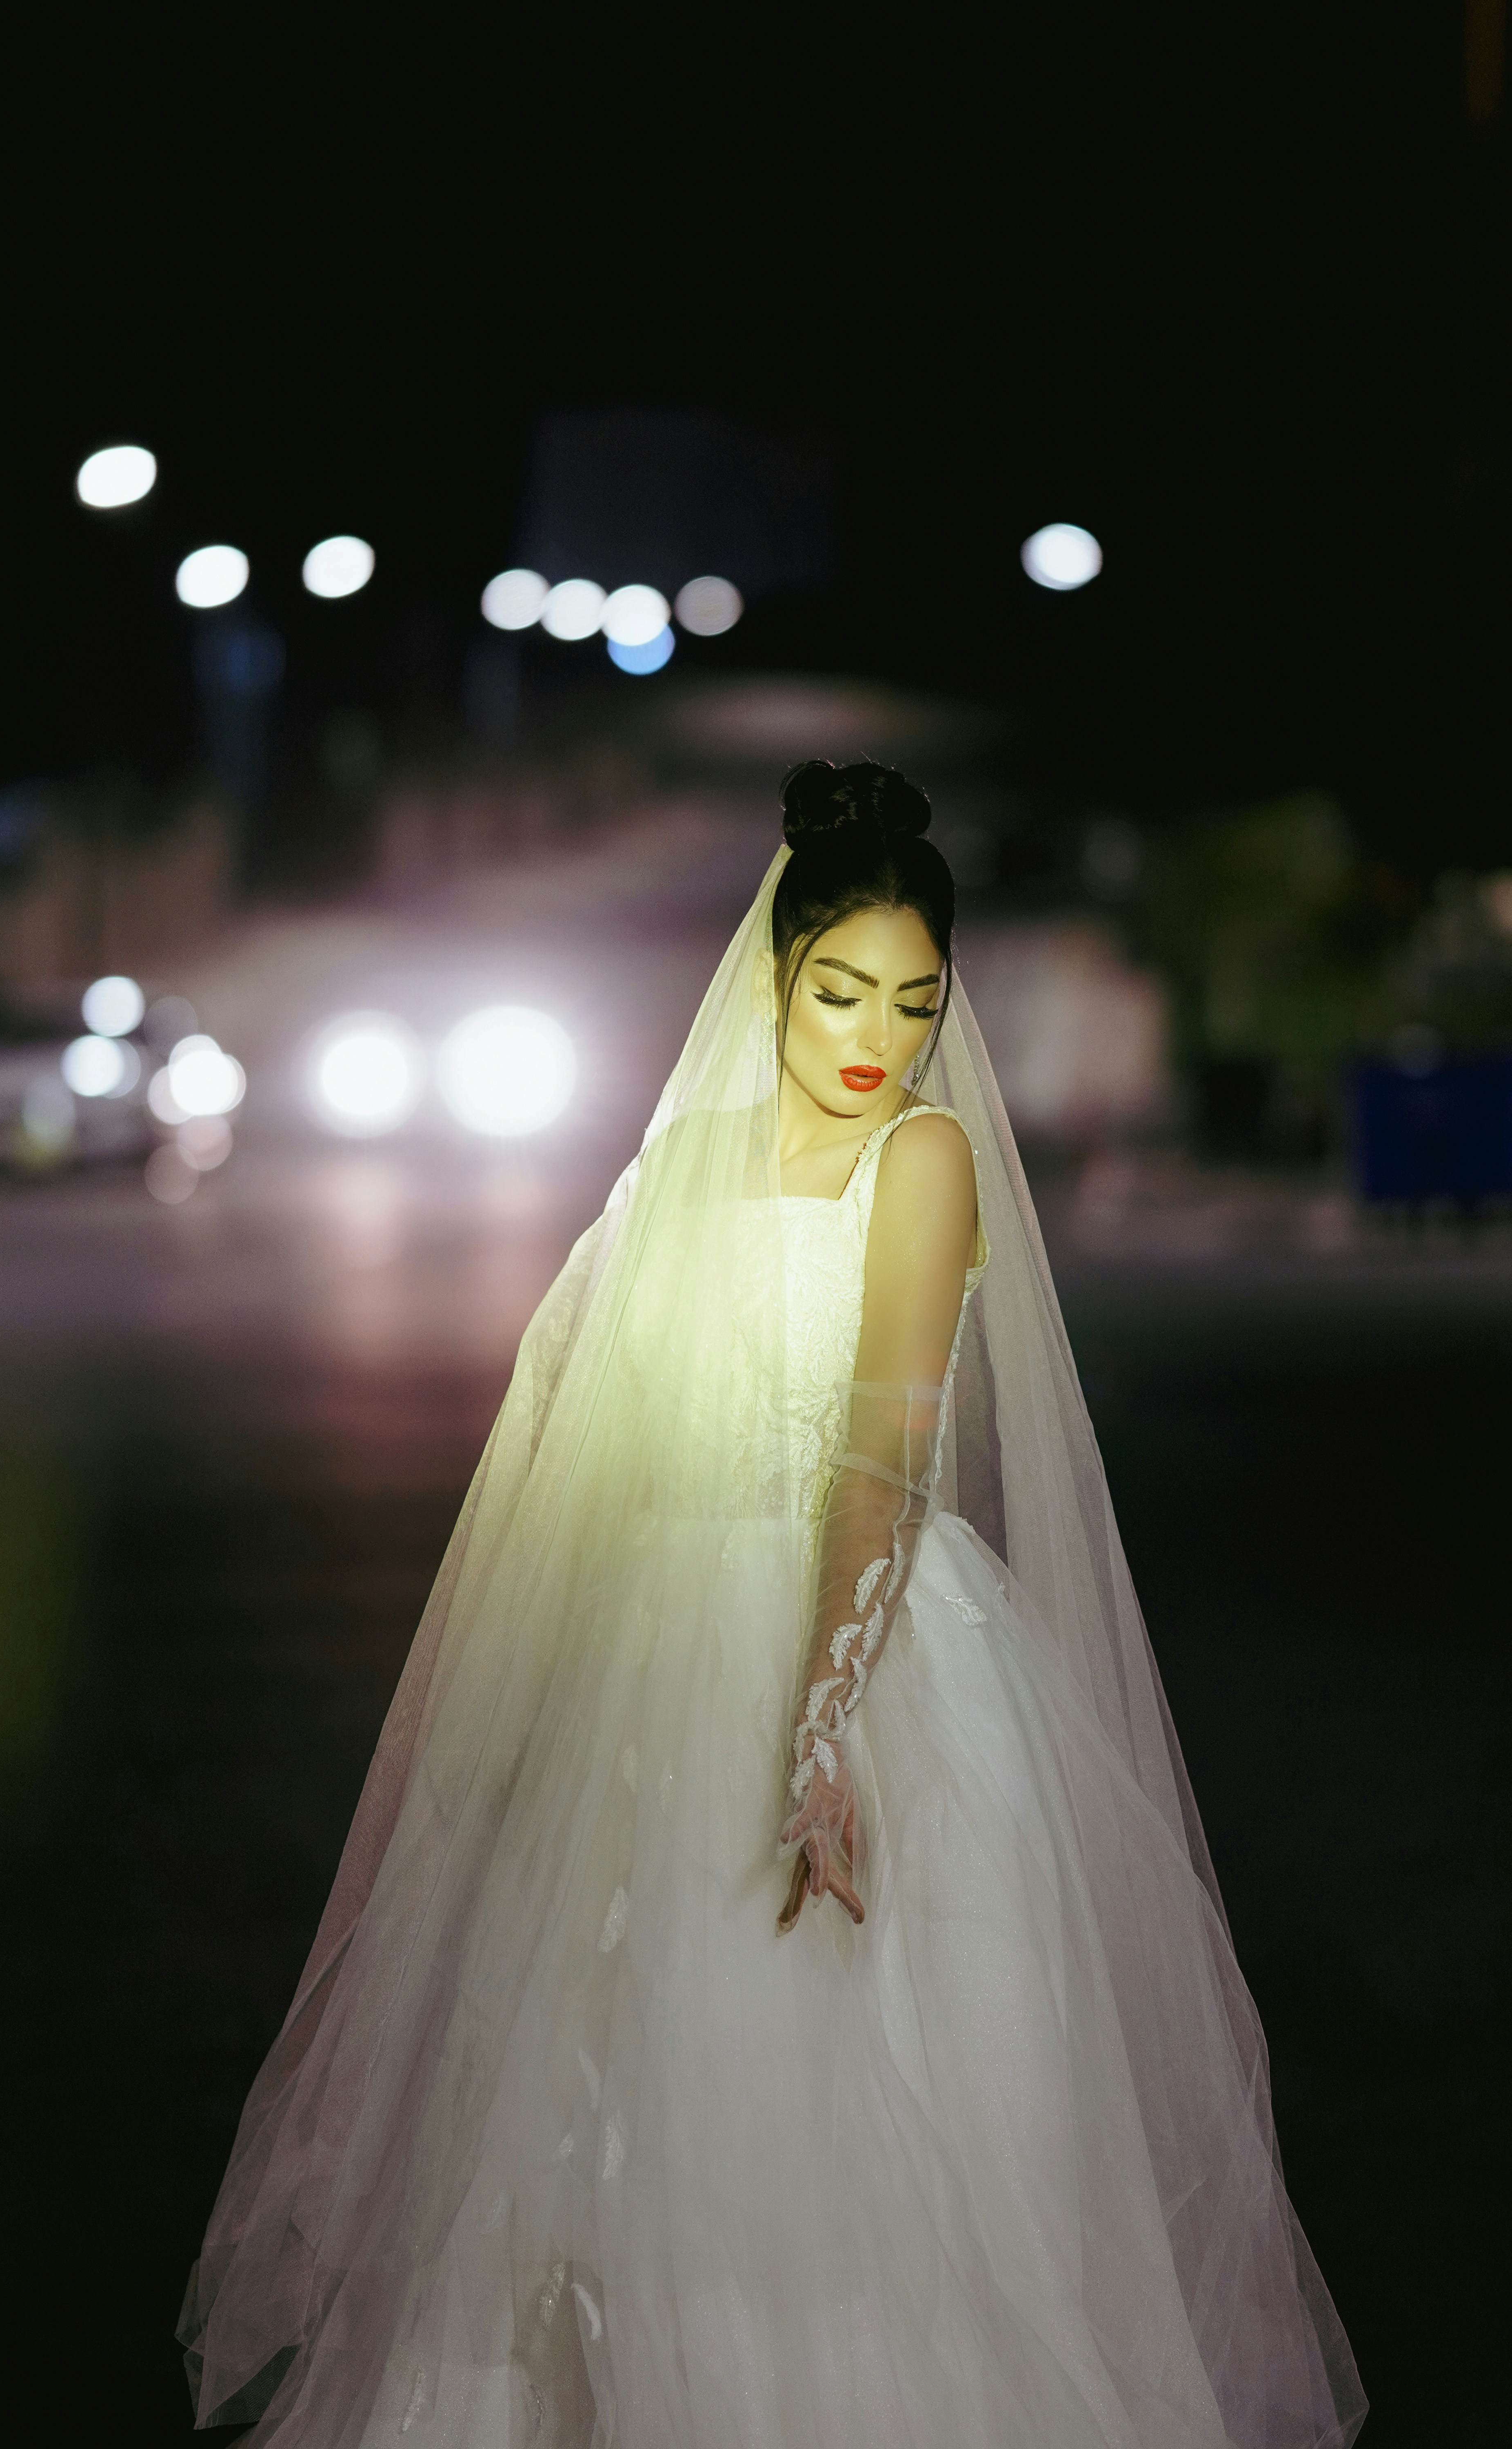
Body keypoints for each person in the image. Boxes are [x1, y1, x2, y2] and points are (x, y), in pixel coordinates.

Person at [180, 761, 1365, 2447]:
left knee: (837, 2114)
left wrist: (819, 1729)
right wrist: (565, 1696)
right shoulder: (689, 1162)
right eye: (838, 990)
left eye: (914, 997)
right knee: (612, 2099)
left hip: (862, 1651)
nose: (874, 1032)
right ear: (770, 977)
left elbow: (883, 1455)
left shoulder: (927, 1158)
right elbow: (585, 1432)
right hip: (657, 1655)